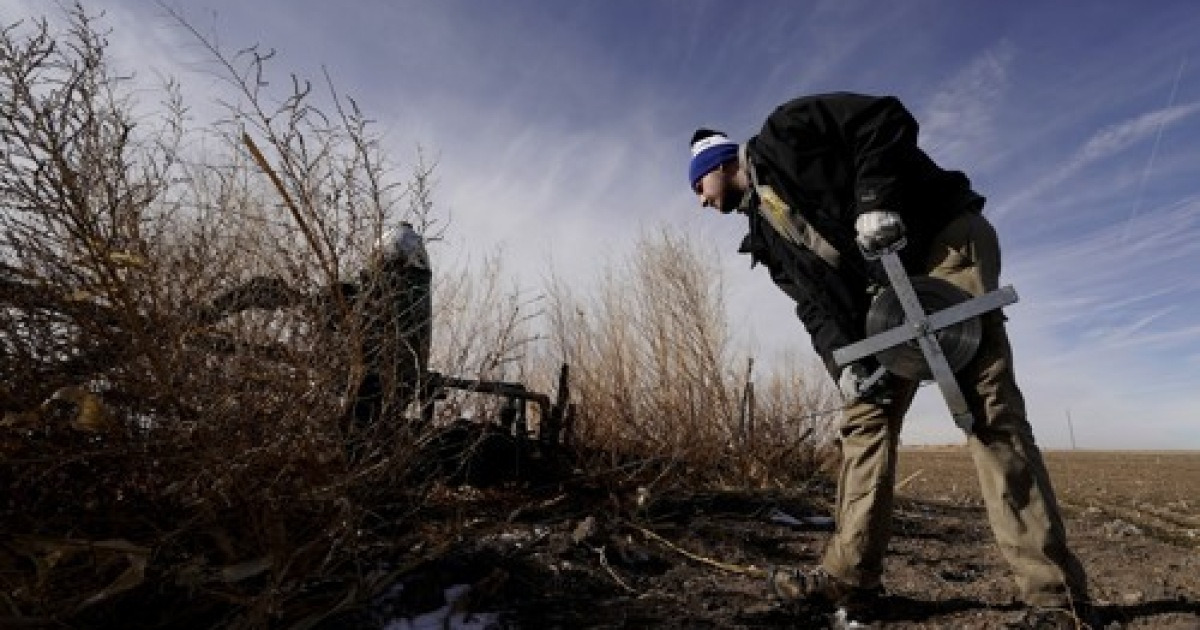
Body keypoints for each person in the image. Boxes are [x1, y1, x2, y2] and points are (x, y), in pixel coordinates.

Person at [687, 93, 1096, 629]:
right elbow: (816, 309)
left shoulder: (786, 131)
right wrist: (845, 366)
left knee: (984, 410)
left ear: (717, 164)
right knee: (865, 419)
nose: (699, 199)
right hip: (888, 302)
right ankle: (850, 581)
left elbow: (884, 118)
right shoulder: (766, 239)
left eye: (697, 185)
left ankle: (1054, 599)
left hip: (940, 248)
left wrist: (873, 200)